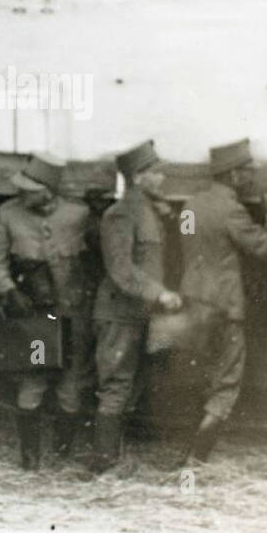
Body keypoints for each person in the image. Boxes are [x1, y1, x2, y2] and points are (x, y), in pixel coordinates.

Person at [0, 153, 95, 469]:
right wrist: (9, 290)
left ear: (47, 190)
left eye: (28, 189)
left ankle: (61, 453)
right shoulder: (8, 214)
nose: (21, 194)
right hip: (34, 319)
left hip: (73, 316)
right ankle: (29, 460)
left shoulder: (79, 215)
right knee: (32, 382)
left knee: (71, 386)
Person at [177, 139, 267, 465]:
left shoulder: (190, 205)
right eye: (247, 172)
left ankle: (190, 450)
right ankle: (196, 460)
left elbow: (189, 241)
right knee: (226, 384)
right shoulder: (231, 210)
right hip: (225, 308)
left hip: (194, 302)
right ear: (233, 175)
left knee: (204, 376)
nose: (251, 178)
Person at [88, 140, 183, 474]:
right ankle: (104, 463)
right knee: (116, 386)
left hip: (137, 314)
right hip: (118, 313)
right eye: (156, 172)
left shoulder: (148, 211)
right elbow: (120, 269)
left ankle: (115, 456)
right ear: (138, 177)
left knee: (131, 386)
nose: (162, 177)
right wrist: (159, 293)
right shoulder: (121, 213)